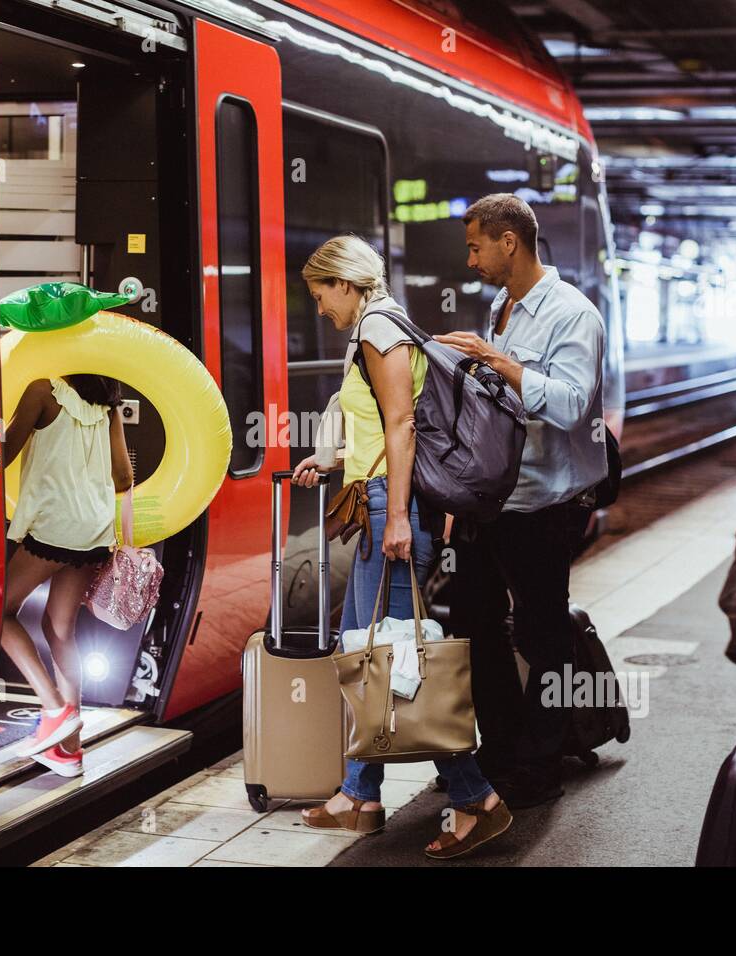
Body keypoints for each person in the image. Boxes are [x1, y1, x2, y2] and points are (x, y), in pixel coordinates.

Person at [291, 235, 511, 859]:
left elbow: (401, 424)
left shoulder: (379, 329)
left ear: (347, 283)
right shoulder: (383, 325)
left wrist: (397, 520)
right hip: (379, 499)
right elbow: (374, 421)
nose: (319, 306)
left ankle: (477, 801)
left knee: (396, 665)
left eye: (320, 293)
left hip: (390, 505)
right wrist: (330, 457)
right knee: (366, 655)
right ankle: (359, 798)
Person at [433, 193, 607, 808]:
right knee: (474, 623)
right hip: (494, 499)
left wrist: (498, 363)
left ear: (510, 242)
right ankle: (499, 748)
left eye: (477, 245)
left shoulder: (571, 315)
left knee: (543, 635)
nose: (472, 258)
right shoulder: (500, 307)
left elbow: (569, 405)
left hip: (545, 504)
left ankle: (542, 761)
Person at [1, 373, 134, 777]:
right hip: (93, 530)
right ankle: (69, 750)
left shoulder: (43, 390)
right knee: (60, 629)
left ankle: (54, 708)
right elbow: (124, 478)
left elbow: (1, 456)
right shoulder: (108, 404)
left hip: (55, 527)